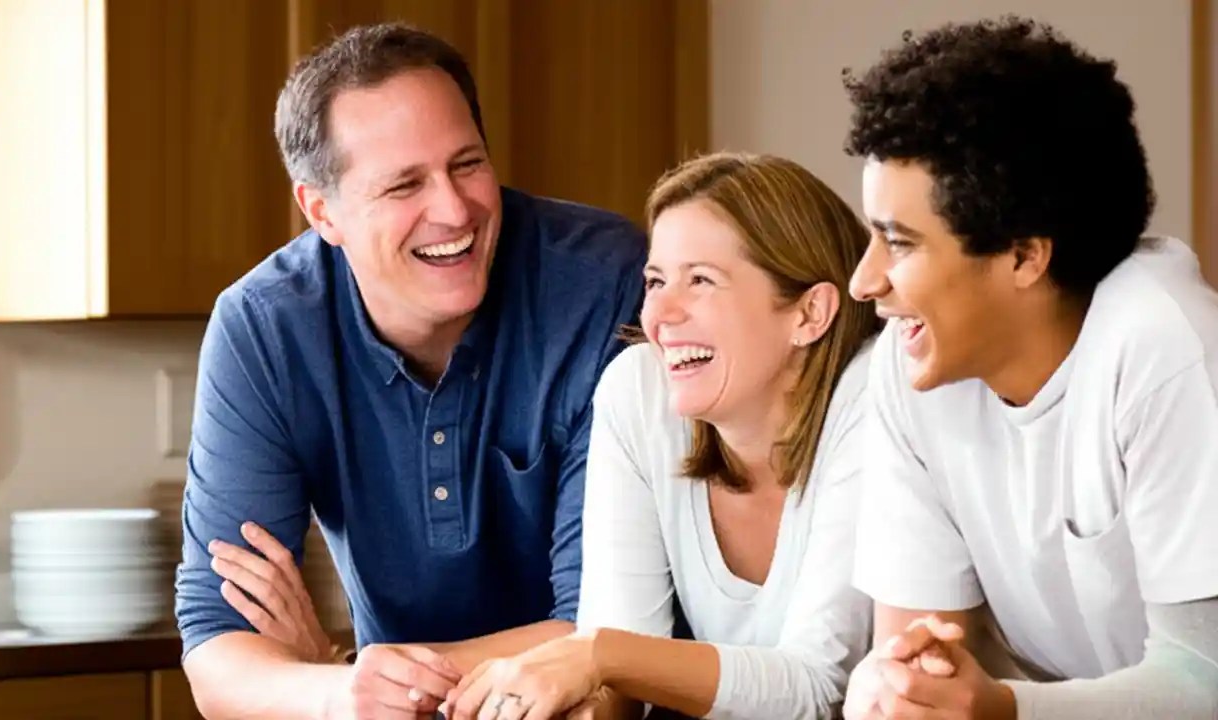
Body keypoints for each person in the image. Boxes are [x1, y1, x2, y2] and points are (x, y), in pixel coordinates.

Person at [175, 22, 646, 719]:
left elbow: (602, 634)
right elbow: (218, 649)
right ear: (321, 211)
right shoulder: (264, 327)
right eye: (404, 185)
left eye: (467, 164)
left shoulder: (606, 281)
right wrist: (340, 692)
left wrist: (339, 676)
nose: (454, 210)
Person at [838, 16, 1218, 720]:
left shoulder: (1166, 347)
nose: (866, 282)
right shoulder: (910, 360)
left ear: (1023, 256)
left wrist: (1005, 708)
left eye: (897, 242)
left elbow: (1205, 675)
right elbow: (914, 651)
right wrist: (894, 689)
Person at [425, 152, 881, 720]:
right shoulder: (638, 391)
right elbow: (620, 685)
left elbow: (819, 688)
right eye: (656, 280)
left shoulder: (874, 395)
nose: (660, 315)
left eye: (701, 281)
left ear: (810, 313)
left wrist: (598, 654)